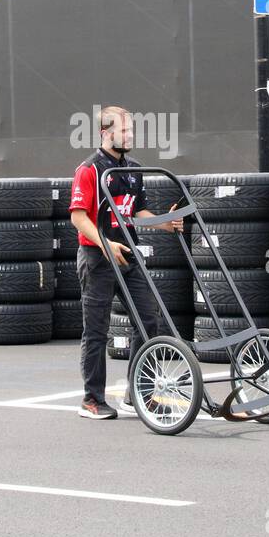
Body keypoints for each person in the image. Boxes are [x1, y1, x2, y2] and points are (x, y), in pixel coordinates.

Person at [69, 105, 183, 419]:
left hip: (129, 254)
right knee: (96, 330)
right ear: (105, 133)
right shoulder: (89, 170)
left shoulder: (131, 168)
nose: (130, 135)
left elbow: (137, 212)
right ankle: (92, 400)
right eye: (124, 130)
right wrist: (105, 244)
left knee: (148, 320)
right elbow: (78, 217)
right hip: (97, 257)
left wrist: (166, 222)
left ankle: (139, 394)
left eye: (131, 130)